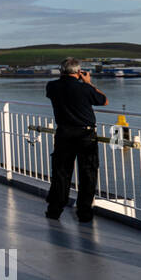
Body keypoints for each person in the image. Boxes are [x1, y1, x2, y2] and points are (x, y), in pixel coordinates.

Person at [44, 58, 106, 221]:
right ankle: (84, 212)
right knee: (88, 172)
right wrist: (88, 83)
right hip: (85, 135)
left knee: (61, 172)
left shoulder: (52, 86)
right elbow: (104, 101)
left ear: (61, 71)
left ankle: (54, 210)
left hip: (64, 133)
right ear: (79, 72)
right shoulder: (85, 88)